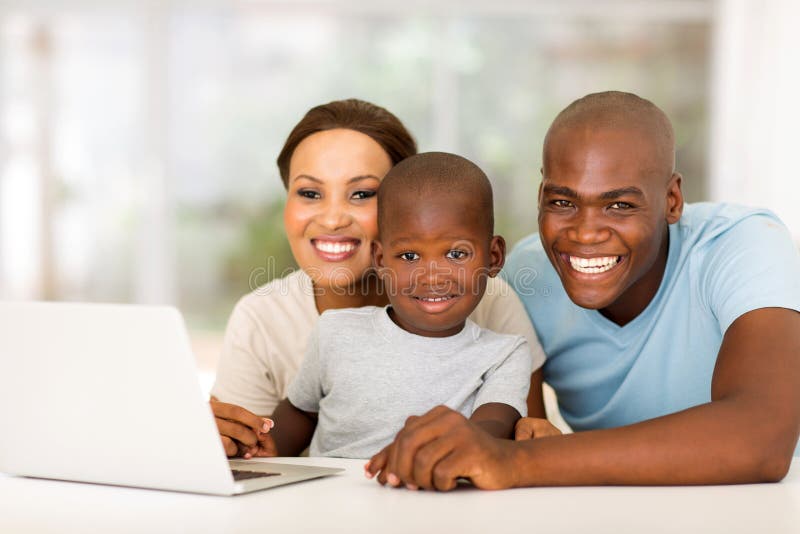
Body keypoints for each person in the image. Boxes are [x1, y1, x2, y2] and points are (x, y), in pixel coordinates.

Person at [365, 91, 800, 490]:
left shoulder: (743, 243)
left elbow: (762, 436)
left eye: (620, 205)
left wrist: (516, 461)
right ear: (541, 196)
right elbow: (511, 422)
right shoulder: (524, 278)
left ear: (671, 199)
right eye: (563, 202)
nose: (586, 233)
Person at [209, 99, 549, 459]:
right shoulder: (281, 322)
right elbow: (266, 445)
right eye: (309, 193)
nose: (332, 219)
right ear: (381, 257)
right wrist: (234, 440)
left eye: (362, 194)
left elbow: (517, 443)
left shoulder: (493, 310)